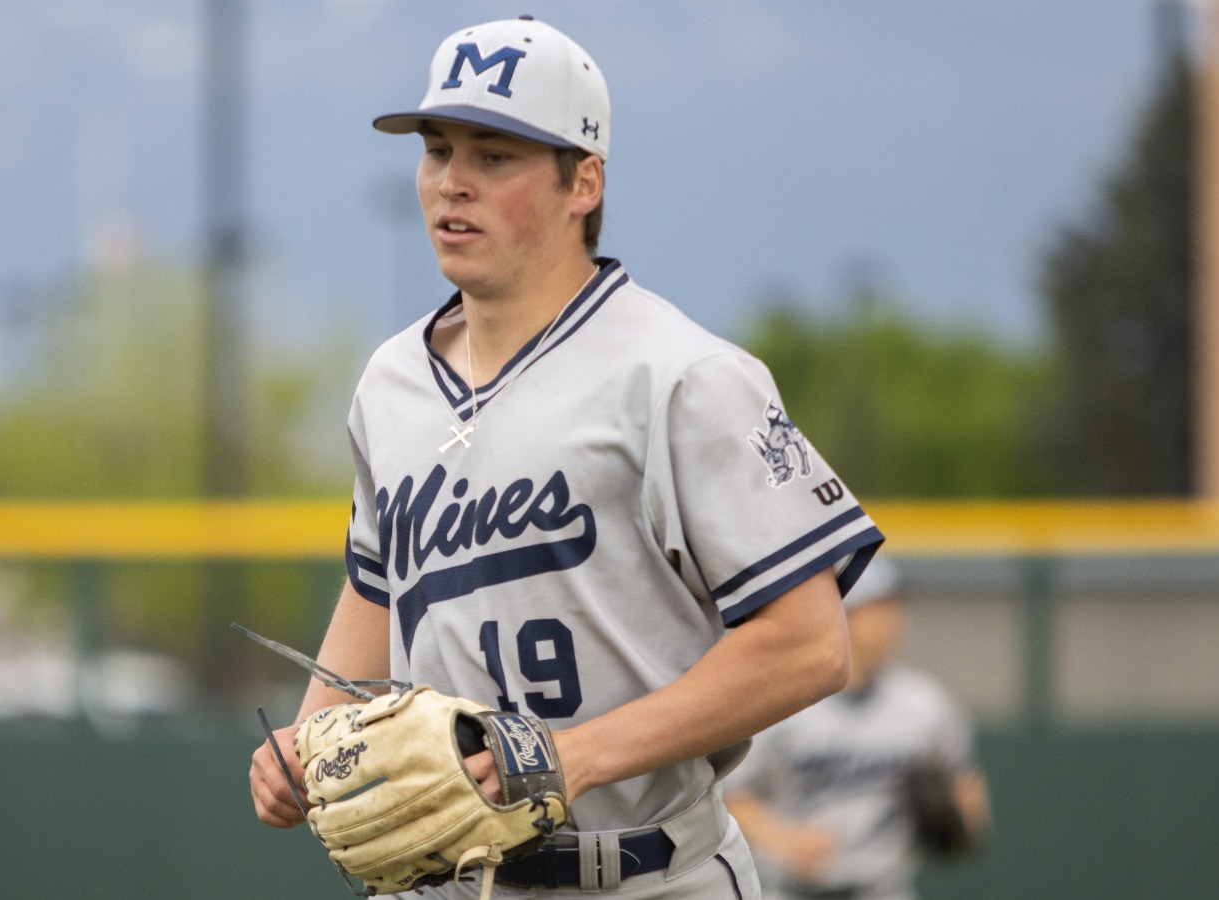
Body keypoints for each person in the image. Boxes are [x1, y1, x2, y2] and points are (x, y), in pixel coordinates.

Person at [249, 16, 883, 898]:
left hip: (649, 872)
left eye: (494, 155)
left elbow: (811, 645)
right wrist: (310, 738)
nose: (451, 184)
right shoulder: (391, 382)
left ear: (582, 181)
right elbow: (377, 587)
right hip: (451, 880)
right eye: (436, 150)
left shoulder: (680, 375)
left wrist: (573, 756)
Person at [722, 558, 991, 900]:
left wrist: (962, 822)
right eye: (876, 609)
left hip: (883, 889)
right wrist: (784, 839)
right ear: (840, 616)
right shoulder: (783, 703)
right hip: (793, 890)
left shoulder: (925, 705)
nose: (891, 621)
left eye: (894, 608)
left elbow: (965, 786)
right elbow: (732, 796)